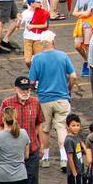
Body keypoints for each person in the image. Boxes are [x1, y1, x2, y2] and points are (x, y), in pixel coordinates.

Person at [28, 31, 78, 167]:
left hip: (44, 99)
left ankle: (45, 158)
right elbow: (73, 76)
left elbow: (31, 81)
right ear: (53, 41)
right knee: (62, 128)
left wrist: (36, 90)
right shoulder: (63, 56)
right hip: (62, 97)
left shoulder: (37, 59)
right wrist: (68, 88)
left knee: (45, 129)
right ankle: (64, 158)